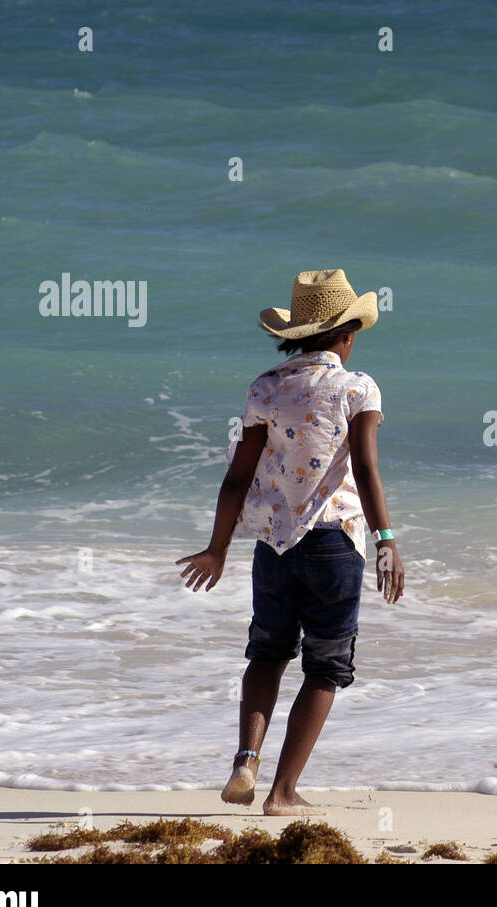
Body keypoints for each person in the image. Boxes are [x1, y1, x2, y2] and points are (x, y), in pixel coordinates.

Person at [177, 268, 404, 815]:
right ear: (346, 334)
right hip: (333, 544)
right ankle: (282, 794)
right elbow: (368, 471)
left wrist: (217, 548)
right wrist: (387, 540)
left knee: (267, 652)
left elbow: (236, 477)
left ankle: (246, 758)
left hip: (272, 549)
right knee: (326, 666)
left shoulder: (266, 387)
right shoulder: (358, 387)